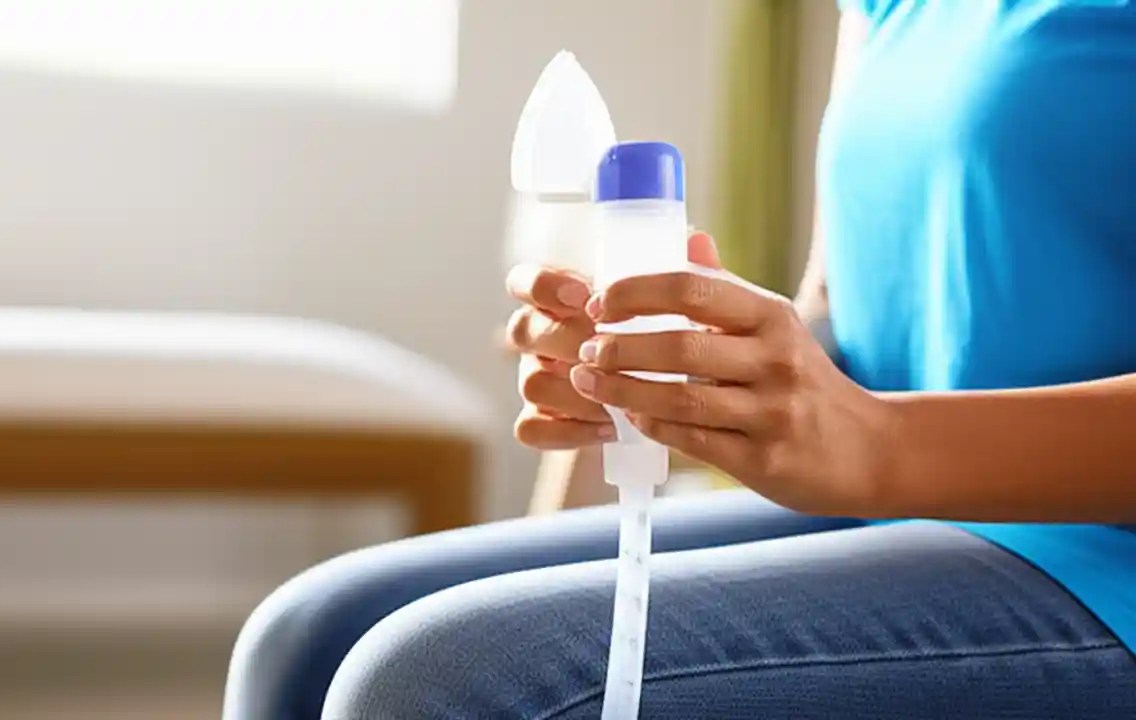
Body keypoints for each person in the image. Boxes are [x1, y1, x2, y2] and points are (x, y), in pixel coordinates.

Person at [241, 2, 1136, 717]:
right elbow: (846, 318)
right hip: (897, 509)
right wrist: (682, 372)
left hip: (1099, 559)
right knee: (310, 633)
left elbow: (869, 426)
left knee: (440, 684)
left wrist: (873, 443)